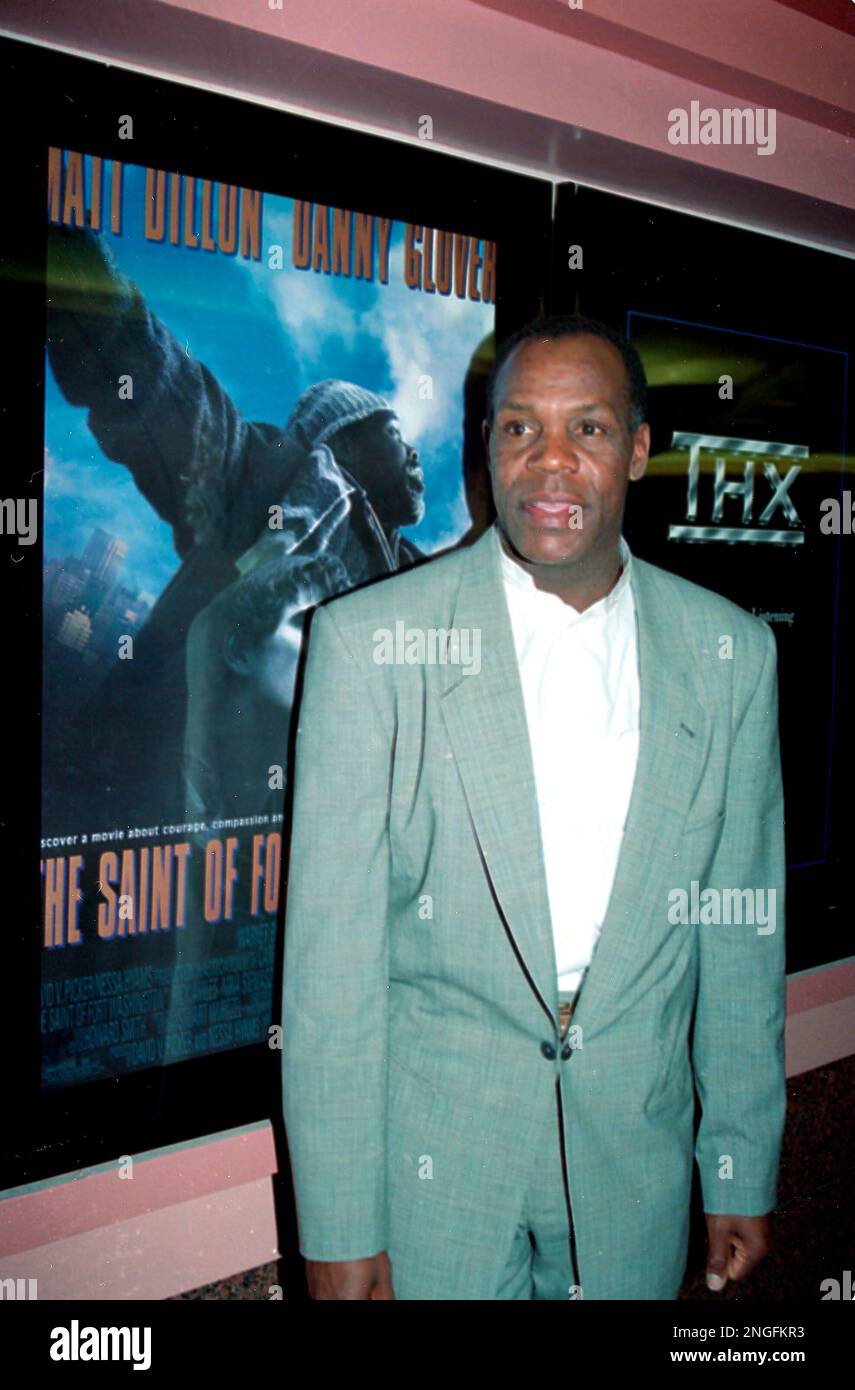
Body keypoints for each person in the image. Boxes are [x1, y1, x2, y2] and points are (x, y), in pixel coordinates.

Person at [281, 313, 787, 1301]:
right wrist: (339, 1221)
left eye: (587, 429)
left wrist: (737, 1165)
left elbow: (737, 943)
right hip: (432, 1175)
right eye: (519, 429)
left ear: (639, 448)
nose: (549, 464)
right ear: (488, 446)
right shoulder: (367, 645)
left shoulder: (731, 656)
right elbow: (330, 968)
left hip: (635, 1169)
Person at [44, 222, 425, 824]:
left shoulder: (426, 581)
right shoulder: (262, 474)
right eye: (395, 434)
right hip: (184, 834)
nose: (414, 456)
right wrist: (86, 284)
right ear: (342, 442)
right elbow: (163, 386)